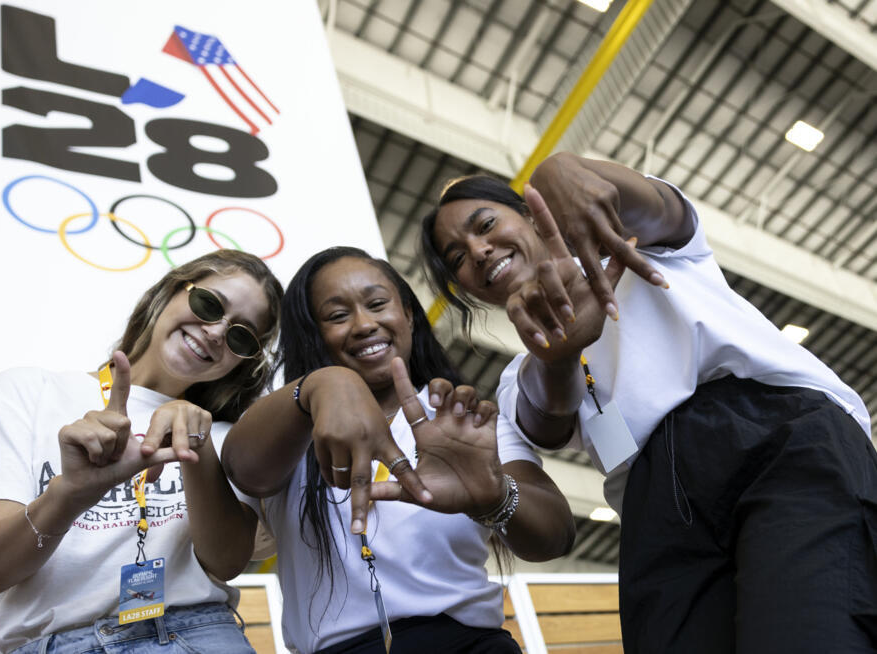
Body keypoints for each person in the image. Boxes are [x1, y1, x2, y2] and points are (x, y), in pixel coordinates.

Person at [420, 152, 877, 653]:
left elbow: (660, 208)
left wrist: (561, 171)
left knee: (811, 633)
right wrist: (559, 355)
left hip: (776, 434)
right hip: (654, 501)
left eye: (485, 224)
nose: (478, 251)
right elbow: (545, 421)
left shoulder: (637, 247)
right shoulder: (519, 377)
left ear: (531, 213)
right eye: (458, 257)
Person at [0, 249, 283, 654]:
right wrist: (71, 492)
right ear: (172, 292)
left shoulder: (228, 438)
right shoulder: (22, 394)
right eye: (209, 305)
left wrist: (198, 450)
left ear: (245, 361)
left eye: (240, 336)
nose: (216, 332)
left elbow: (226, 563)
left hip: (196, 635)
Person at [221, 246, 574, 653]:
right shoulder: (287, 422)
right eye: (337, 316)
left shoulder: (462, 420)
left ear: (408, 313)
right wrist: (321, 385)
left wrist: (495, 496)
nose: (364, 324)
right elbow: (242, 468)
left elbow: (556, 537)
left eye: (377, 304)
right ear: (313, 334)